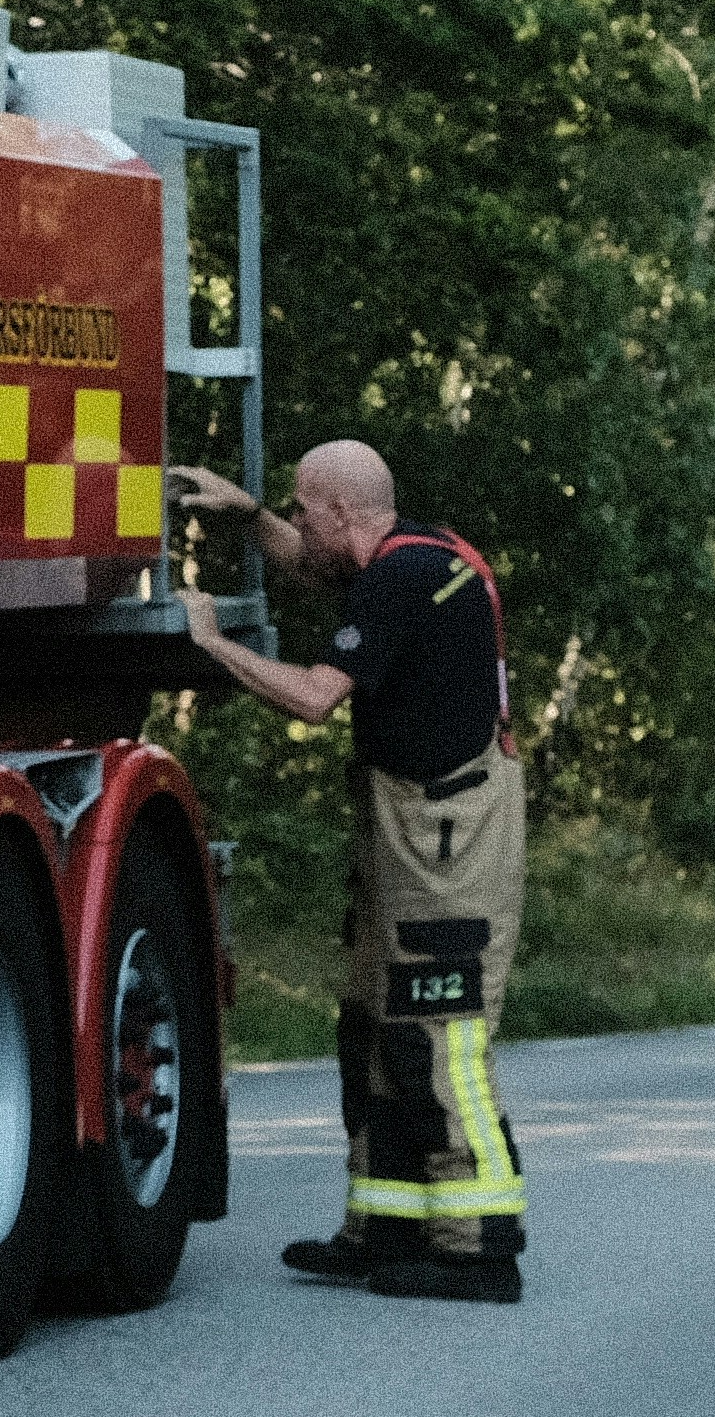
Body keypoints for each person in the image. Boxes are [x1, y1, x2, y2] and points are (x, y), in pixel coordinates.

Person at [179, 441, 526, 1303]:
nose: (295, 527)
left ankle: (478, 1248)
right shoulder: (415, 558)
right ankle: (387, 1228)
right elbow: (312, 566)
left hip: (444, 841)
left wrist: (212, 643)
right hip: (415, 829)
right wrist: (248, 514)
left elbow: (313, 697)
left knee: (436, 1036)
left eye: (301, 510)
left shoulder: (403, 580)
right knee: (375, 1027)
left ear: (341, 512)